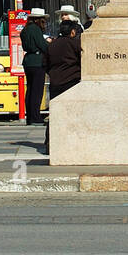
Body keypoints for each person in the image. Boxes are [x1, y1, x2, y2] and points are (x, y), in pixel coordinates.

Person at [42, 19, 82, 156]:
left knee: (54, 114)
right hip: (72, 82)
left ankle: (49, 143)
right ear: (72, 31)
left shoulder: (52, 45)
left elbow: (45, 64)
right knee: (72, 114)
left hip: (55, 83)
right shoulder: (75, 44)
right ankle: (71, 142)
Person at [19, 8, 49, 125]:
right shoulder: (35, 29)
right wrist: (50, 44)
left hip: (28, 61)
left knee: (30, 90)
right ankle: (36, 117)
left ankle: (30, 117)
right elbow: (42, 45)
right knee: (37, 91)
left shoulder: (25, 29)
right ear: (38, 19)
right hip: (37, 61)